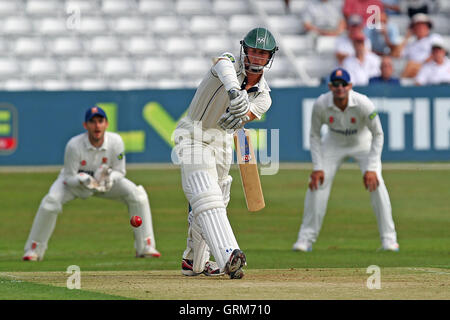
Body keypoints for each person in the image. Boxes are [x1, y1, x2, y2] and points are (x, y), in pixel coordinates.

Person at [173, 27, 278, 279]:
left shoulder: (264, 96)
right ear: (245, 51)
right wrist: (234, 92)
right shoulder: (228, 63)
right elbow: (222, 64)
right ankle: (228, 255)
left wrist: (242, 112)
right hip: (194, 135)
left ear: (269, 57)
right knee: (206, 193)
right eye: (252, 51)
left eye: (262, 54)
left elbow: (247, 116)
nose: (256, 58)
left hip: (222, 144)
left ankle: (195, 261)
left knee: (218, 197)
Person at [23, 106, 160, 261]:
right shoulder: (74, 145)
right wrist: (82, 180)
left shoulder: (116, 142)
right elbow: (68, 177)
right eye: (92, 122)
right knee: (50, 202)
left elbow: (120, 171)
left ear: (106, 124)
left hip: (105, 184)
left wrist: (110, 179)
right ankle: (33, 250)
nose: (97, 126)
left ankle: (146, 246)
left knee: (138, 195)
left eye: (100, 121)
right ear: (85, 125)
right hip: (76, 186)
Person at [292, 68, 399, 252]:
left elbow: (378, 134)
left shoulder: (364, 103)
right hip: (334, 142)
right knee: (317, 183)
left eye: (343, 85)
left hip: (362, 142)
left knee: (377, 184)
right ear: (330, 86)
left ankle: (389, 241)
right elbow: (315, 136)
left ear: (350, 86)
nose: (340, 88)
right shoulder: (320, 104)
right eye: (336, 84)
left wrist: (372, 168)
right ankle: (305, 240)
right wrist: (318, 167)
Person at [398, 13, 443, 78]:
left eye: (423, 25)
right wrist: (406, 38)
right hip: (414, 72)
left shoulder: (435, 38)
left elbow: (437, 54)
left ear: (428, 27)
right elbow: (397, 55)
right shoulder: (410, 45)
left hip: (432, 68)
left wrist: (420, 66)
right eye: (417, 26)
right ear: (413, 29)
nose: (420, 28)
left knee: (410, 66)